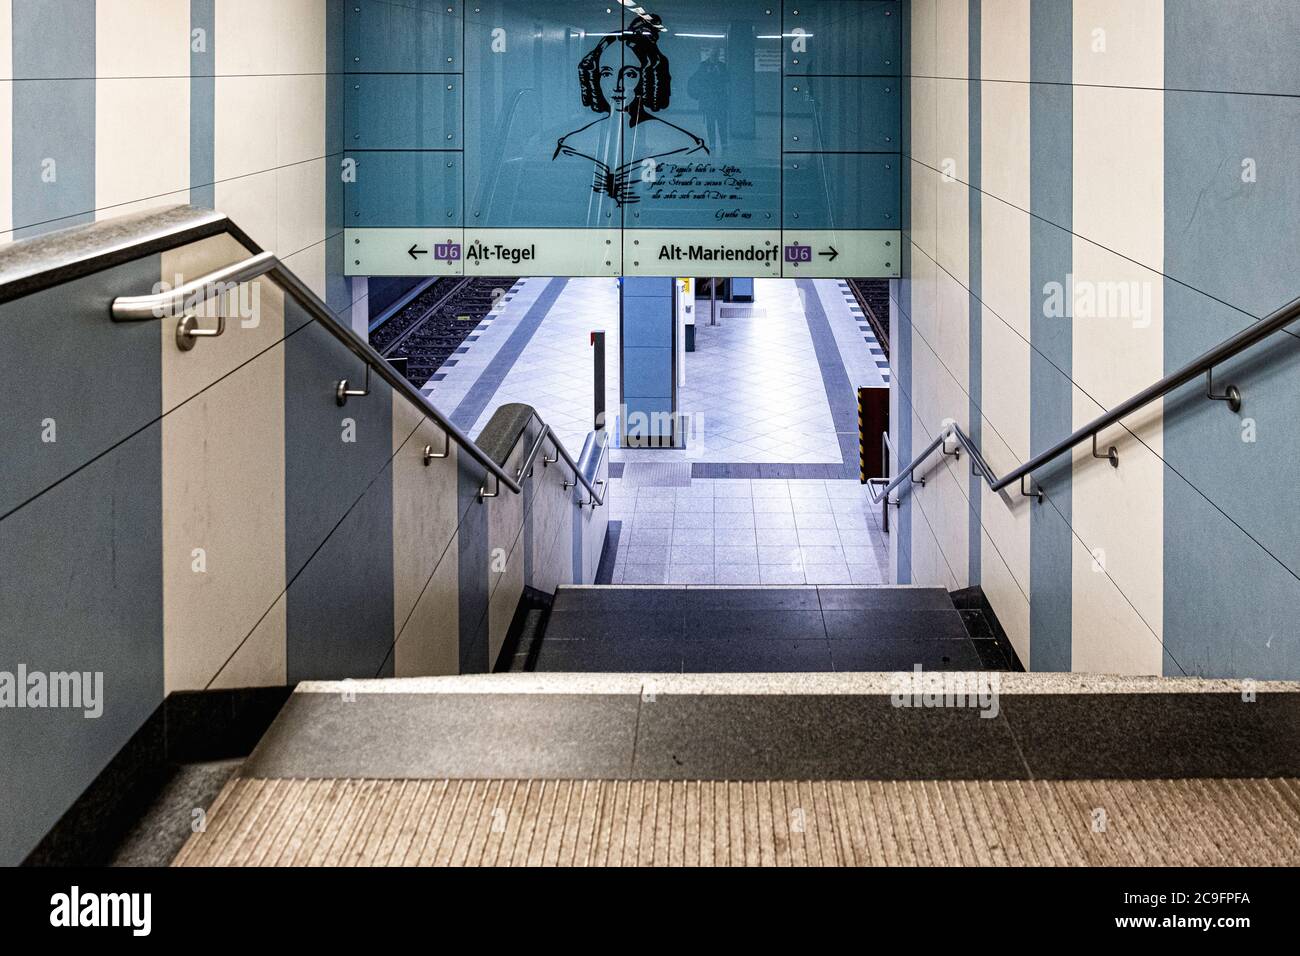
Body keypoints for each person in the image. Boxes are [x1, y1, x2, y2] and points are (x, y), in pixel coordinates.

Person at [554, 14, 708, 206]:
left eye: (629, 74)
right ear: (595, 77)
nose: (617, 85)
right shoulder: (572, 144)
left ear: (647, 79)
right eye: (607, 73)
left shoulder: (684, 145)